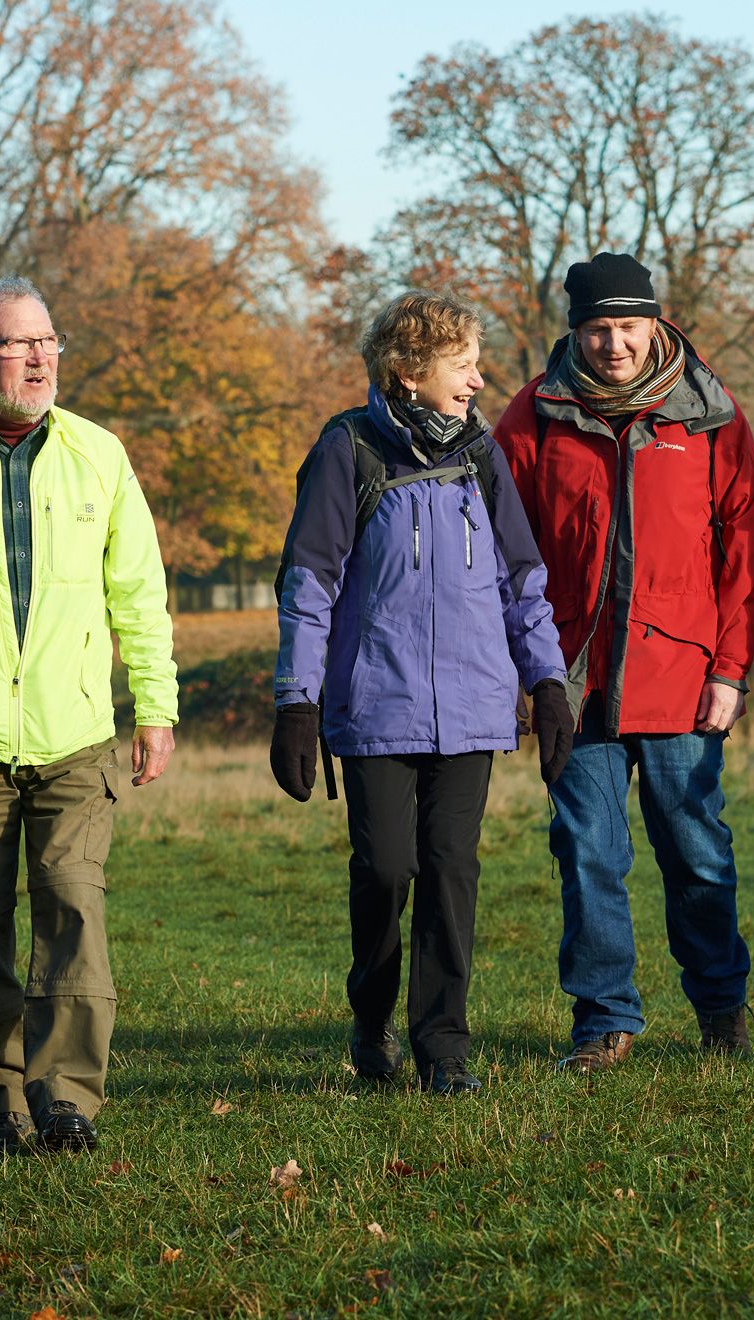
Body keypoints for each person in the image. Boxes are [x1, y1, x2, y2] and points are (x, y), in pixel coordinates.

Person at [0, 277, 179, 1154]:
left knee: (73, 909)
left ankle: (68, 1102)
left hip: (76, 735)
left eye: (48, 341)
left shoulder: (100, 453)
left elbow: (138, 590)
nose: (40, 357)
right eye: (19, 344)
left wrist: (156, 704)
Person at [271, 290, 572, 1095]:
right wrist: (295, 701)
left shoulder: (480, 454)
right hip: (377, 707)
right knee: (387, 870)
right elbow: (309, 583)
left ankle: (444, 1048)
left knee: (449, 870)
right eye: (463, 366)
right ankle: (371, 1016)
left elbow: (522, 578)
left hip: (474, 708)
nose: (478, 381)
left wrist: (547, 680)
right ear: (409, 372)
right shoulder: (350, 449)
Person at [492, 252, 754, 1073]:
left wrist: (730, 670)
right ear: (574, 331)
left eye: (626, 326)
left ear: (655, 324)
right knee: (587, 852)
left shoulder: (711, 415)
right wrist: (527, 673)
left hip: (685, 679)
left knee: (695, 850)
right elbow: (505, 554)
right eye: (596, 328)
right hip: (573, 680)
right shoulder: (531, 418)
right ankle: (605, 1020)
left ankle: (721, 1008)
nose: (613, 344)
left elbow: (749, 553)